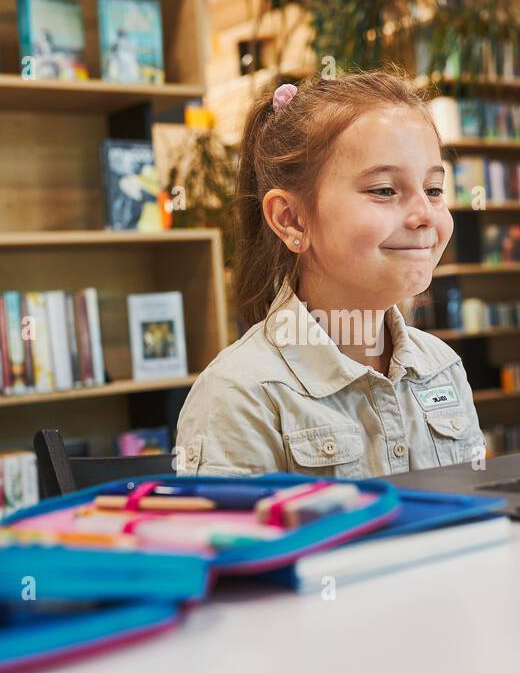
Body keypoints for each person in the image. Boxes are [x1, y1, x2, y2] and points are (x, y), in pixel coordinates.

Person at [174, 69, 483, 478]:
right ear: (291, 220)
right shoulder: (239, 396)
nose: (425, 214)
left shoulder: (443, 367)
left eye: (433, 189)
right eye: (384, 190)